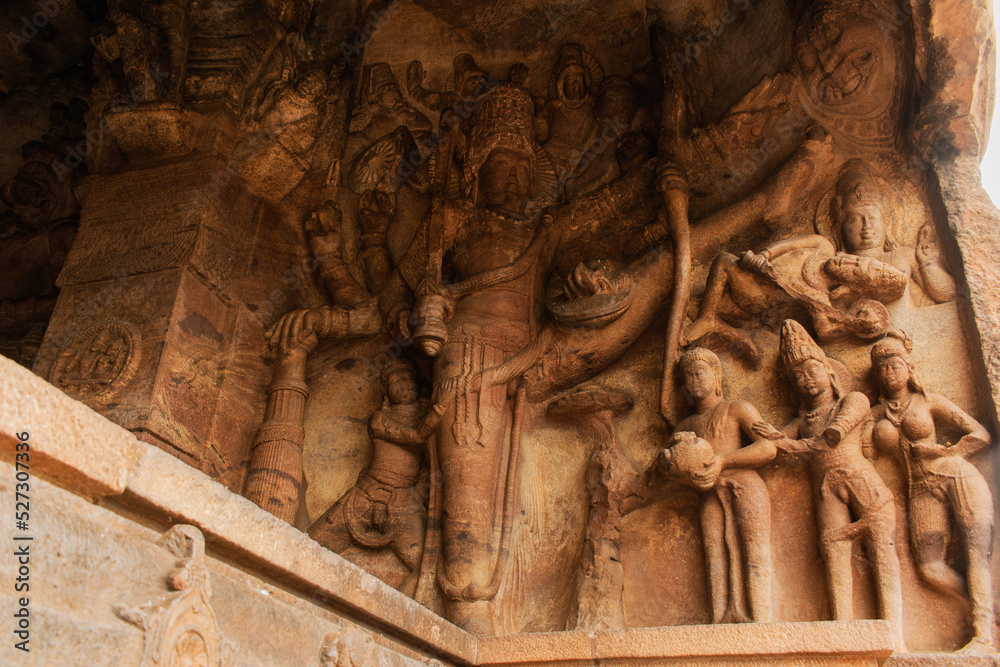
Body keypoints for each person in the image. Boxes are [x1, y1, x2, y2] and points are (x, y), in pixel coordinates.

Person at [770, 320, 905, 650]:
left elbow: (834, 434)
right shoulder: (803, 421)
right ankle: (842, 628)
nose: (806, 380)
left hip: (861, 481)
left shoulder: (852, 401)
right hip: (826, 490)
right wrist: (763, 434)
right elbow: (775, 446)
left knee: (882, 550)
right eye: (797, 377)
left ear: (829, 372)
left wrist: (800, 444)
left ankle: (896, 632)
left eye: (811, 371)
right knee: (833, 552)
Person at [868, 330, 996, 654]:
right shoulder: (876, 414)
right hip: (920, 489)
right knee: (930, 568)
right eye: (882, 368)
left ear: (909, 368)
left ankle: (983, 635)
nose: (889, 372)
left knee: (975, 555)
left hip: (956, 476)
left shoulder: (929, 402)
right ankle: (989, 609)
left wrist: (943, 451)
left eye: (895, 365)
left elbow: (979, 434)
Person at [308, 359, 441, 596]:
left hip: (403, 503)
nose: (404, 383)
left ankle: (397, 608)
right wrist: (439, 410)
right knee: (308, 545)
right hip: (364, 496)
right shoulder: (379, 419)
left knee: (428, 564)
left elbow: (433, 461)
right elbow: (415, 436)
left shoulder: (425, 423)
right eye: (396, 380)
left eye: (408, 378)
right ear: (385, 390)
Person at [670, 347, 777, 624]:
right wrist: (674, 459)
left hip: (745, 486)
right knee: (714, 555)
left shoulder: (737, 408)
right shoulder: (685, 426)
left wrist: (724, 460)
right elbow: (672, 473)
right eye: (687, 377)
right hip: (709, 493)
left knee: (754, 550)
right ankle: (722, 618)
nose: (694, 380)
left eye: (699, 373)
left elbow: (768, 448)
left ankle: (759, 619)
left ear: (716, 375)